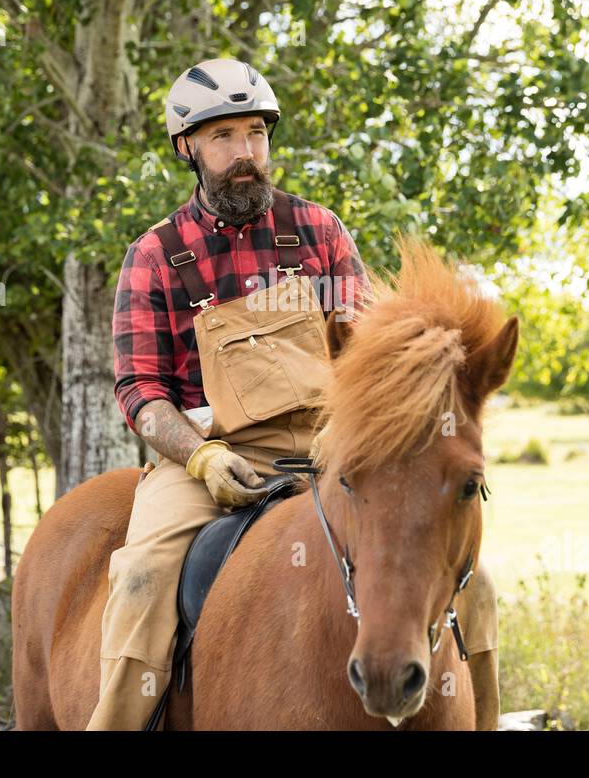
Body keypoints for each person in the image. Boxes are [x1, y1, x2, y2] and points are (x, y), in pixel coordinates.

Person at [89, 56, 500, 730]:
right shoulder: (156, 255)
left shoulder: (319, 232)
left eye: (255, 134)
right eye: (223, 138)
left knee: (472, 580)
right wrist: (200, 458)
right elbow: (140, 389)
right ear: (188, 148)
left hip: (329, 451)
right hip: (206, 460)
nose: (244, 153)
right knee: (143, 580)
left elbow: (371, 354)